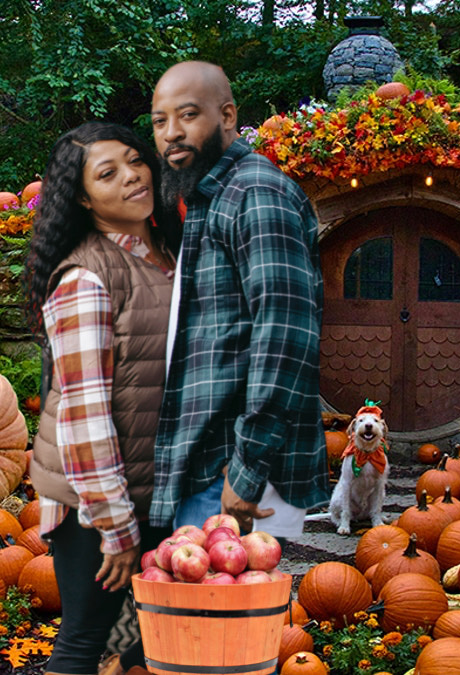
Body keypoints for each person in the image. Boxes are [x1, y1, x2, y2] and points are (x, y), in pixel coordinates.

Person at [149, 61, 329, 542]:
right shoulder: (210, 198)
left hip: (231, 471)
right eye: (160, 121)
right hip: (199, 459)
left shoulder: (257, 193)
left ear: (227, 116)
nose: (171, 134)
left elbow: (285, 337)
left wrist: (246, 474)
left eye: (187, 116)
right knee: (182, 614)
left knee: (216, 616)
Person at [24, 121, 179, 675]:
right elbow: (83, 414)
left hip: (158, 484)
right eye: (108, 173)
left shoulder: (164, 251)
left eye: (135, 160)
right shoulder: (83, 281)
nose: (133, 176)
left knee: (158, 634)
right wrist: (114, 528)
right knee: (86, 637)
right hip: (97, 501)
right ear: (84, 198)